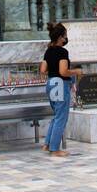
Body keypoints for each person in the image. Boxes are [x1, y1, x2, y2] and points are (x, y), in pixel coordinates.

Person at [39, 22, 81, 157]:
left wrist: (54, 70)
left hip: (51, 83)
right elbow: (63, 72)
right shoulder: (63, 52)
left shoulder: (48, 51)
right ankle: (55, 149)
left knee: (56, 116)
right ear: (61, 37)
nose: (66, 38)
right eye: (65, 36)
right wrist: (76, 71)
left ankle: (47, 144)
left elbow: (43, 70)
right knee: (61, 118)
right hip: (60, 85)